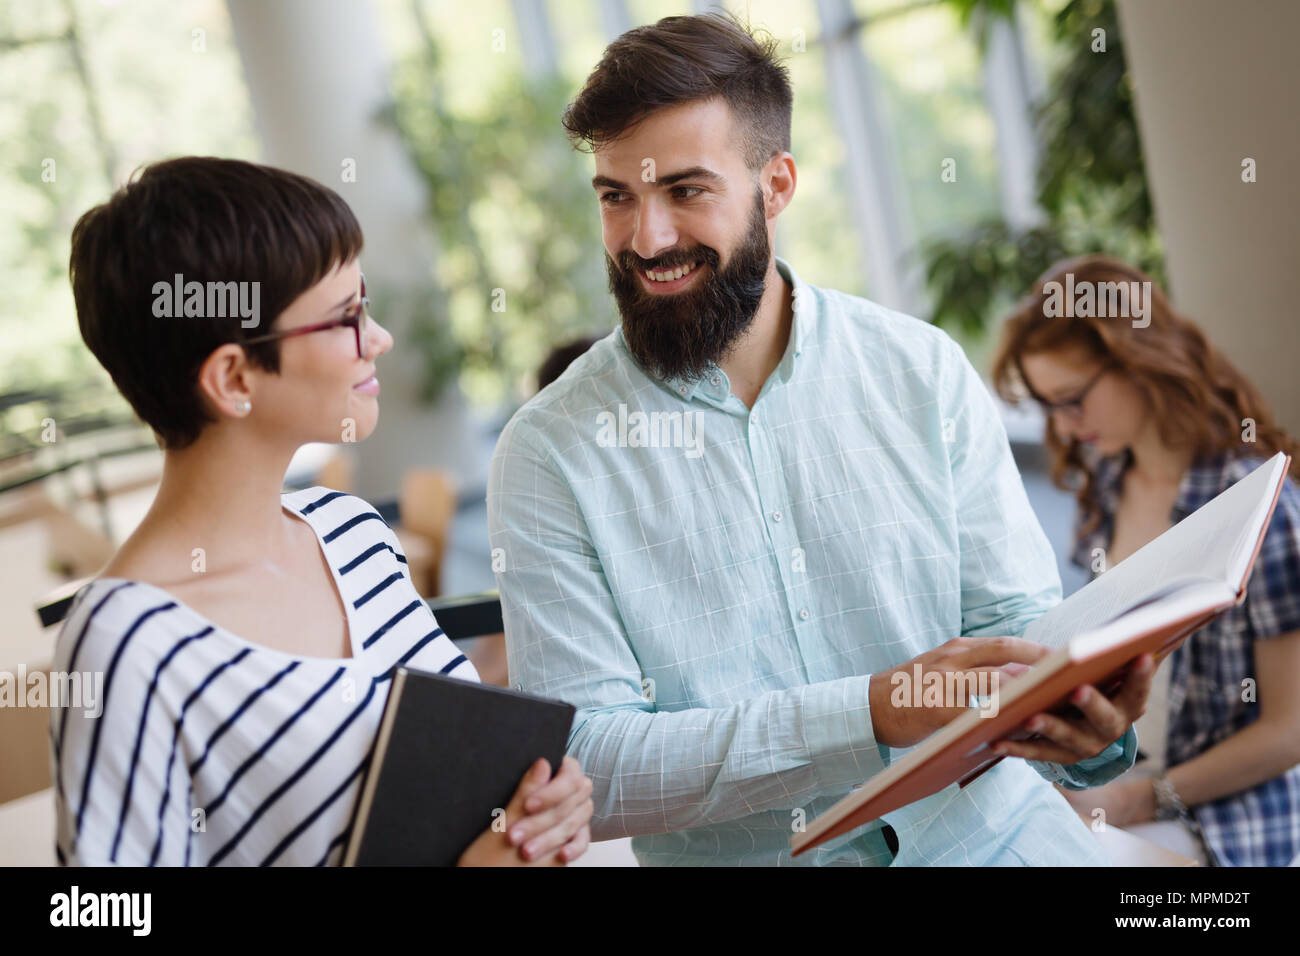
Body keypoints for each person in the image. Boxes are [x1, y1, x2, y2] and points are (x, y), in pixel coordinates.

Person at [487, 12, 1151, 867]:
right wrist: (870, 713)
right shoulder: (547, 454)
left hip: (1006, 844)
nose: (645, 240)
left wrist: (1086, 715)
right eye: (618, 196)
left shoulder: (921, 370)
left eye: (685, 191)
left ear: (777, 186)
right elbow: (596, 771)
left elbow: (1014, 631)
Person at [53, 156, 593, 866]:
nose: (378, 339)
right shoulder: (125, 645)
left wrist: (543, 809)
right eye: (345, 318)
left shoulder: (354, 533)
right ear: (234, 377)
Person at [991, 253, 1300, 866]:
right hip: (1122, 772)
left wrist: (1139, 799)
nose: (1066, 425)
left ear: (1140, 359)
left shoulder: (1258, 505)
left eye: (1073, 399)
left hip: (1228, 814)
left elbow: (1288, 732)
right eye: (1049, 406)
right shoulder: (1107, 483)